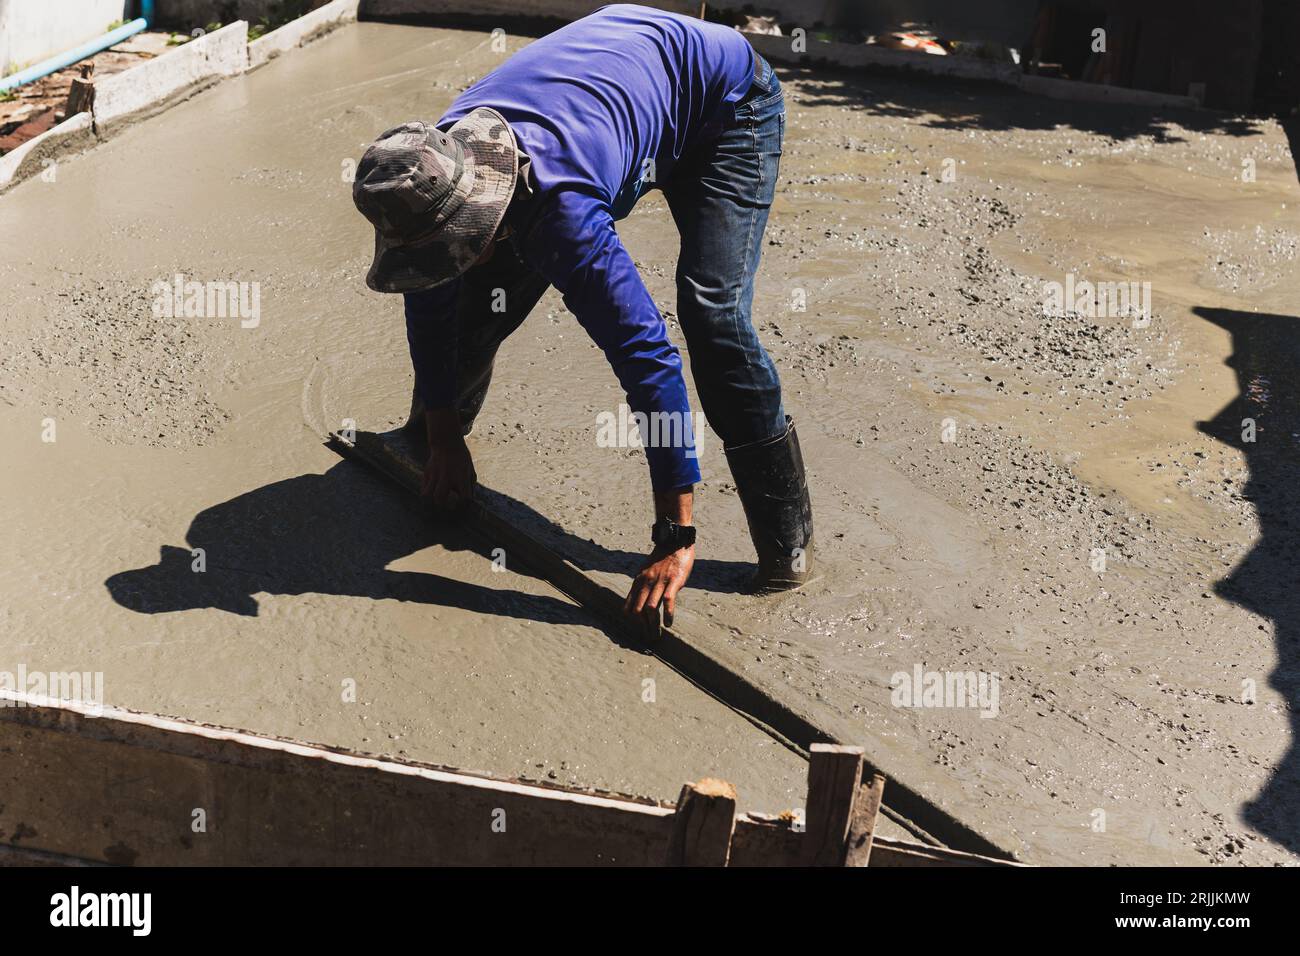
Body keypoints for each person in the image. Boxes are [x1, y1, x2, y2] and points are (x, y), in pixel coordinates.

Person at [352, 4, 813, 627]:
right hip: (621, 80)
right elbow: (431, 303)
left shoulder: (562, 212)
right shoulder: (429, 177)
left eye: (457, 244)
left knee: (712, 314)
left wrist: (674, 536)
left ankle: (786, 544)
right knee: (466, 299)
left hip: (725, 104)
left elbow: (647, 357)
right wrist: (443, 438)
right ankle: (427, 451)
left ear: (478, 213)